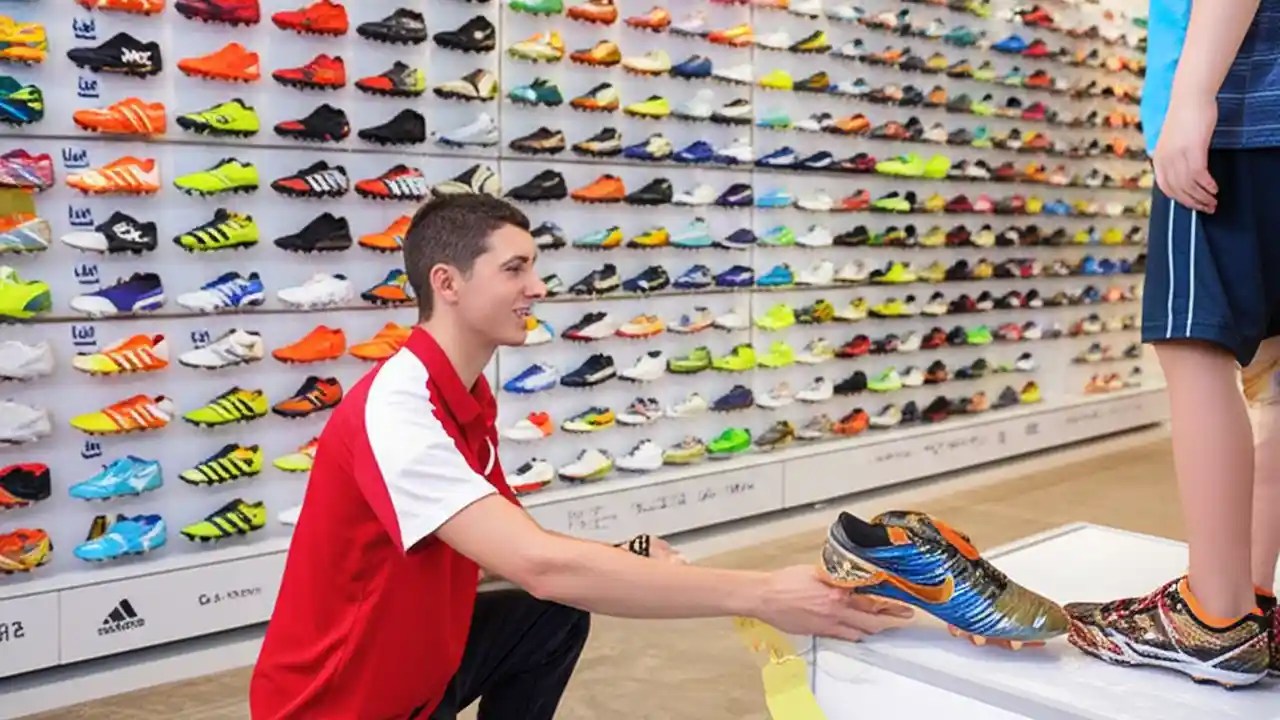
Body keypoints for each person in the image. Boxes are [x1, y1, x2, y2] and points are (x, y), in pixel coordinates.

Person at [248, 194, 913, 719]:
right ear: (446, 282)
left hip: (418, 681)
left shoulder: (467, 395)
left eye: (534, 267)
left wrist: (620, 559)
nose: (538, 287)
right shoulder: (397, 408)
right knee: (552, 590)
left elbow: (510, 549)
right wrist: (764, 591)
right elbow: (536, 564)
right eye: (515, 269)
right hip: (338, 707)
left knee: (552, 615)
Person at [1064, 0, 1279, 685]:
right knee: (1274, 373)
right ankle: (1250, 600)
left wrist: (1191, 95)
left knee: (1193, 346)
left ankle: (1215, 617)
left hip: (1243, 115)